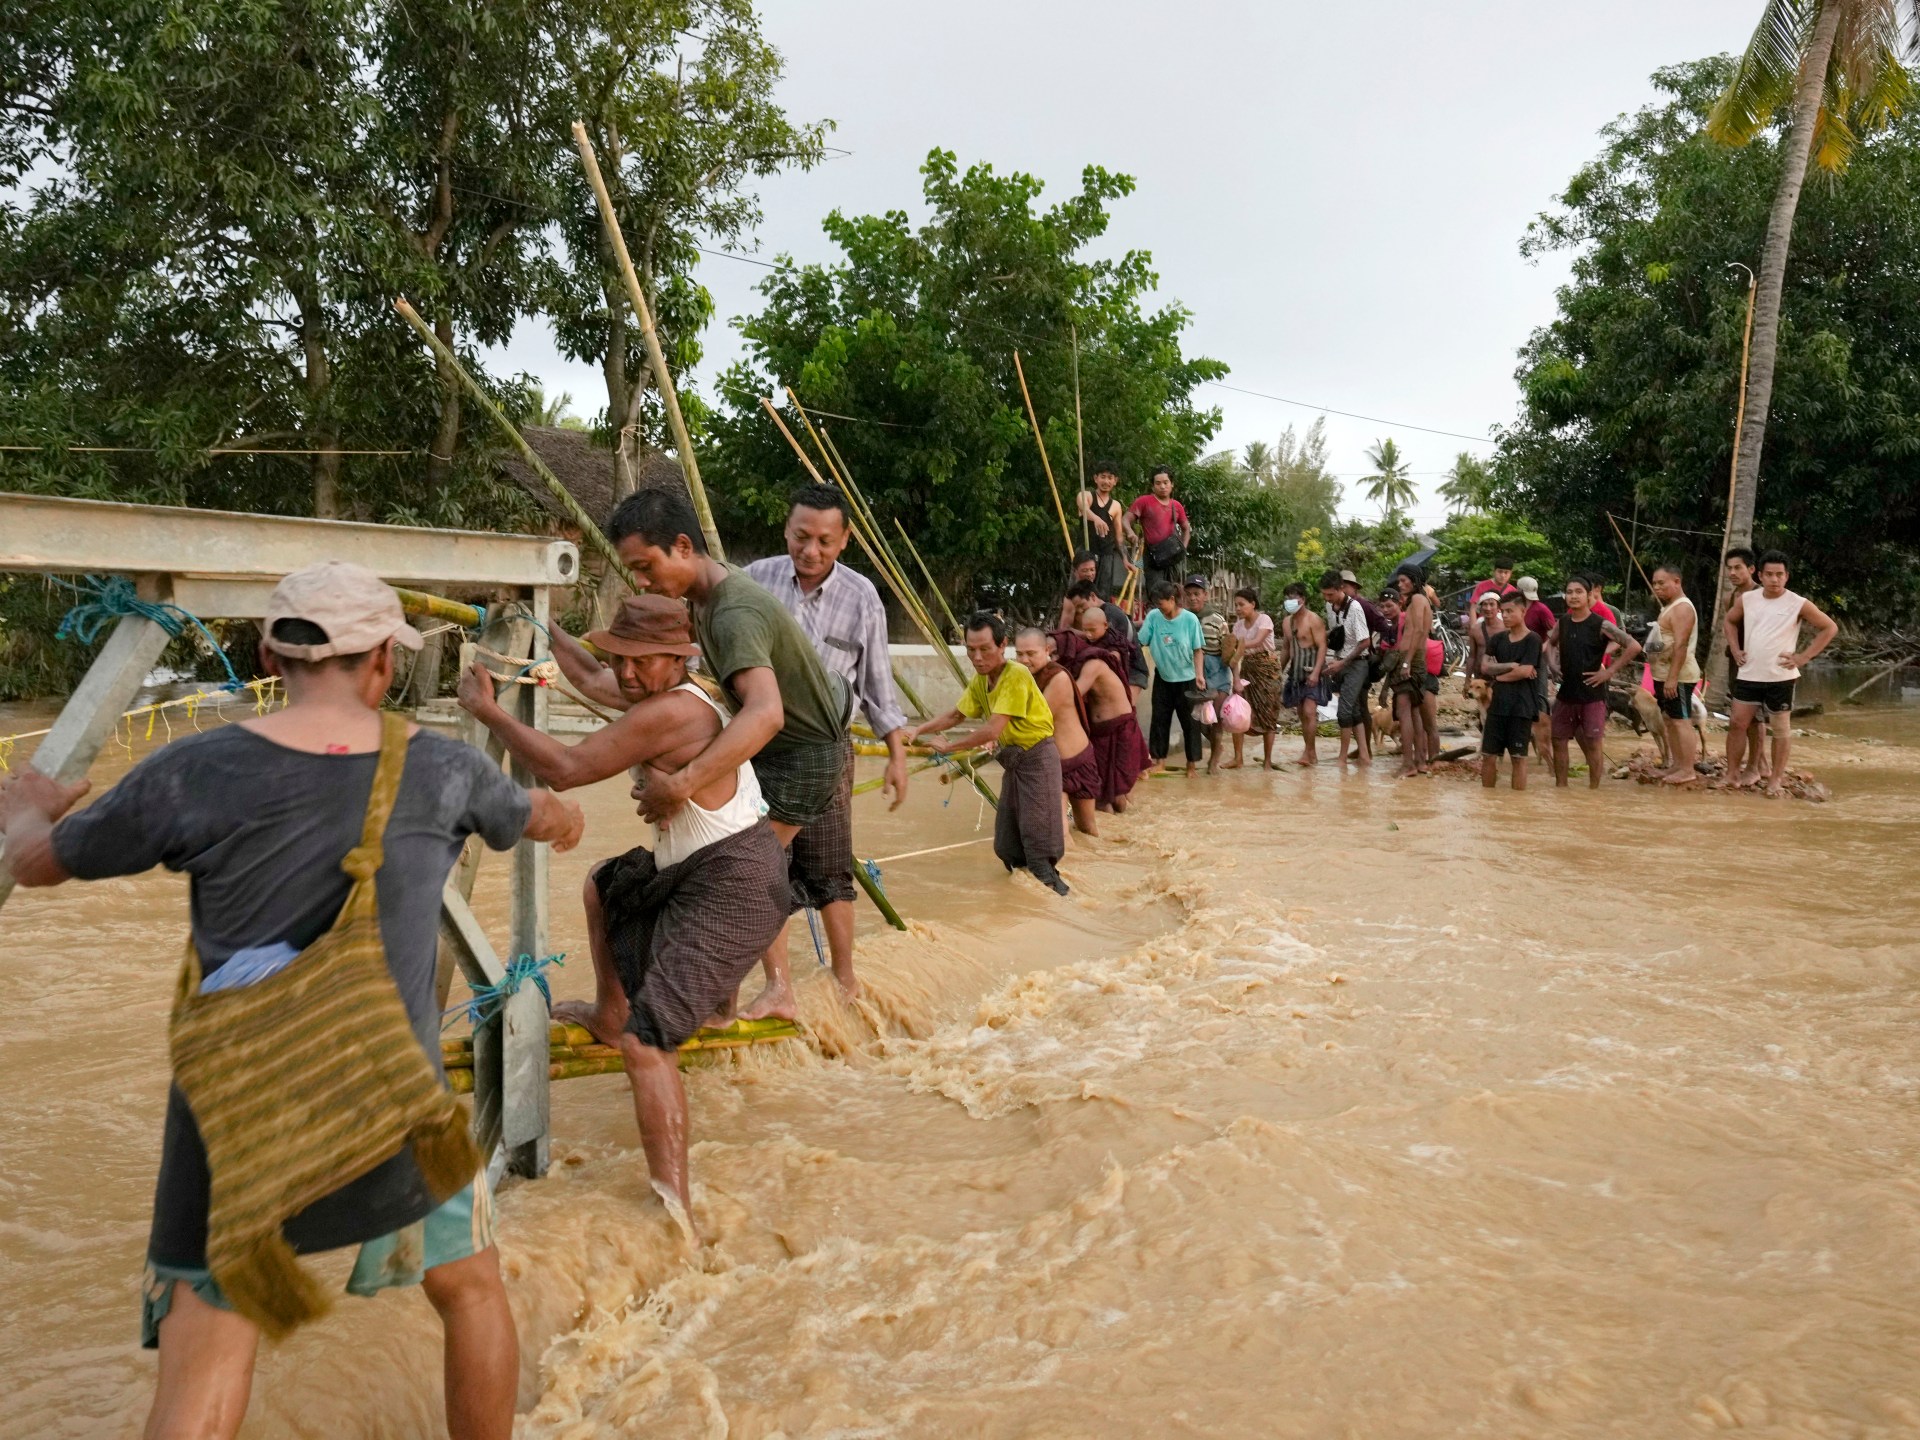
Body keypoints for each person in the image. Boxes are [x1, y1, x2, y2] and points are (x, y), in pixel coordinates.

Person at [1, 561, 586, 1440]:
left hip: (236, 1113)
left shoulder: (193, 769)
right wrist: (558, 815)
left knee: (211, 1343)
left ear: (271, 657)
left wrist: (27, 807)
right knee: (468, 1289)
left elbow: (39, 863)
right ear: (386, 664)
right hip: (391, 1100)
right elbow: (534, 817)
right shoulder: (442, 770)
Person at [459, 594, 787, 1238]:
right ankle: (620, 1013)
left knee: (647, 1045)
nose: (628, 675)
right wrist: (537, 619)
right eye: (623, 660)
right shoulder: (660, 690)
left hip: (734, 883)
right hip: (705, 870)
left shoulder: (672, 711)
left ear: (679, 658)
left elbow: (568, 768)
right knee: (607, 885)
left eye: (642, 663)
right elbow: (587, 676)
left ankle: (676, 1216)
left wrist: (488, 711)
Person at [548, 489, 853, 1023]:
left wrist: (684, 782)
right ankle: (731, 995)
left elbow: (765, 713)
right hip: (777, 748)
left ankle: (770, 990)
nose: (641, 581)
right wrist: (541, 629)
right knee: (747, 866)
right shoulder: (703, 600)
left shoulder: (732, 610)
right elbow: (605, 684)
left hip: (802, 755)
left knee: (747, 871)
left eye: (645, 567)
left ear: (683, 547)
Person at [740, 483, 911, 1014]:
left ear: (844, 540)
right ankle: (778, 987)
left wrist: (898, 755)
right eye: (800, 537)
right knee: (762, 862)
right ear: (786, 531)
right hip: (760, 747)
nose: (810, 552)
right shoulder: (754, 582)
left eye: (824, 541)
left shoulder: (861, 596)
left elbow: (879, 686)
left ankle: (845, 980)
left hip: (828, 750)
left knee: (832, 871)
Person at [908, 614, 1069, 894]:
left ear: (1002, 645)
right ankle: (1021, 912)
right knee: (1008, 847)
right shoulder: (982, 680)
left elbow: (993, 730)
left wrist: (948, 747)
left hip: (1037, 760)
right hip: (1014, 762)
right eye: (971, 650)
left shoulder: (1015, 674)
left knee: (1039, 849)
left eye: (985, 649)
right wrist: (918, 730)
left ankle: (1061, 901)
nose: (977, 657)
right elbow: (957, 715)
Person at [1724, 550, 1838, 797]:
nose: (1774, 579)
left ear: (1787, 576)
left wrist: (1803, 657)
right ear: (1760, 575)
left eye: (1779, 575)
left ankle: (1775, 779)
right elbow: (1730, 621)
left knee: (1781, 729)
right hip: (1749, 674)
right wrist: (1735, 649)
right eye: (1769, 574)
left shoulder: (1798, 603)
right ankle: (1732, 774)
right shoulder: (1748, 599)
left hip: (1781, 677)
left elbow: (1829, 627)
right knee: (1736, 724)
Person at [1546, 575, 1641, 788]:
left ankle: (1594, 790)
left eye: (1578, 592)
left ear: (1590, 595)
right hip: (1566, 692)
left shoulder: (1601, 624)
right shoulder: (1563, 622)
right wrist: (1552, 666)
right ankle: (1561, 788)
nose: (1573, 596)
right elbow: (1550, 644)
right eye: (1569, 592)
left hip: (1593, 693)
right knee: (1558, 740)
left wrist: (1609, 672)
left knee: (1593, 742)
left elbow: (1633, 646)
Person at [1016, 626, 1099, 837]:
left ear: (1047, 651)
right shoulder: (1022, 678)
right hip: (1053, 766)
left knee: (1087, 829)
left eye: (1031, 654)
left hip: (1081, 760)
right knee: (1059, 833)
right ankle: (1064, 870)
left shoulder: (1058, 678)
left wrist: (994, 736)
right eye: (1019, 653)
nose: (1024, 660)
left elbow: (1034, 721)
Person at [1069, 608, 1151, 810]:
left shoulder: (1107, 654)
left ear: (1106, 626)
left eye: (1092, 630)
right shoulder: (1090, 649)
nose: (1088, 635)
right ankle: (1111, 833)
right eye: (1085, 631)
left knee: (1118, 792)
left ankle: (1128, 827)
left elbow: (1074, 692)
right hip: (1100, 731)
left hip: (1120, 727)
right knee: (1101, 790)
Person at [1644, 563, 1703, 786]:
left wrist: (1672, 677)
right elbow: (1666, 641)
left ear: (1676, 582)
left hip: (1678, 675)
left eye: (1662, 583)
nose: (1657, 588)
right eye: (1654, 583)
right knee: (1669, 719)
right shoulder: (1669, 607)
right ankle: (1677, 765)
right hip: (1662, 672)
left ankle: (1687, 768)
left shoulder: (1682, 608)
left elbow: (1681, 645)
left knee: (1681, 721)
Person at [1138, 580, 1206, 775]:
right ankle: (1159, 761)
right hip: (1163, 678)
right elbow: (1141, 640)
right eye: (1156, 605)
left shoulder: (1190, 620)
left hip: (1187, 679)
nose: (1159, 609)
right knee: (1159, 721)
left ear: (1172, 599)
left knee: (1190, 724)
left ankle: (1191, 764)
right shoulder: (1153, 617)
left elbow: (1197, 650)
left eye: (1162, 604)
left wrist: (1199, 675)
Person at [1478, 592, 1543, 790]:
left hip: (1522, 707)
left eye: (1509, 611)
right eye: (1502, 611)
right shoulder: (1498, 639)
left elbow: (1525, 671)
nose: (1504, 616)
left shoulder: (1533, 639)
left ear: (1523, 611)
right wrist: (1510, 666)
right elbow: (1484, 666)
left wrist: (1497, 677)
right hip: (1497, 705)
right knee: (1488, 756)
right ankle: (1488, 801)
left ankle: (1517, 802)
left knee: (1518, 758)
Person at [1722, 546, 1769, 785]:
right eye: (1729, 568)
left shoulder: (1761, 595)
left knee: (1756, 717)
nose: (1732, 572)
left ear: (1751, 569)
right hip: (1736, 662)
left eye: (1738, 568)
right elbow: (1729, 625)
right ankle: (1761, 764)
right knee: (1744, 717)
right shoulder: (1732, 596)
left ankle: (1754, 767)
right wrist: (1734, 650)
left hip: (1757, 666)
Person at [1319, 569, 1373, 767]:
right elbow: (1335, 631)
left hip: (1357, 663)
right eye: (1324, 595)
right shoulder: (1329, 606)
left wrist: (1342, 662)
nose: (1328, 598)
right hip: (1339, 662)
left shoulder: (1356, 608)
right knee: (1355, 710)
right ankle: (1365, 757)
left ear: (1341, 588)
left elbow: (1365, 642)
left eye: (1331, 594)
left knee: (1344, 711)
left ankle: (1342, 757)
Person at [1061, 577, 1142, 696]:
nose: (1080, 610)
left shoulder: (1109, 614)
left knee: (1126, 709)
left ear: (1093, 596)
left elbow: (1111, 650)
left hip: (1133, 672)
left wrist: (1069, 632)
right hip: (1123, 670)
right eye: (1076, 608)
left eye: (1082, 605)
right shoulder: (1102, 613)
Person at [1184, 577, 1233, 773]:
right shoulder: (1185, 618)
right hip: (1192, 669)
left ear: (1205, 594)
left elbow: (1229, 648)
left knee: (1216, 718)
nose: (1193, 598)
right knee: (1198, 719)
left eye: (1197, 594)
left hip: (1216, 670)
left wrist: (1235, 678)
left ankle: (1214, 759)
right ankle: (1215, 747)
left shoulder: (1217, 619)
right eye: (1189, 595)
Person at [1278, 581, 1330, 766]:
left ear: (1303, 599)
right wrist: (1278, 671)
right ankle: (1308, 751)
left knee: (1309, 711)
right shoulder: (1287, 622)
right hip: (1296, 672)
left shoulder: (1313, 620)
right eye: (1287, 598)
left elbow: (1322, 646)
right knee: (1301, 712)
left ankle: (1311, 753)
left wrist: (1316, 673)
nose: (1289, 601)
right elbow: (1286, 648)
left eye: (1293, 598)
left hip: (1312, 670)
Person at [1393, 566, 1438, 776]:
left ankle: (1408, 763)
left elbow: (1419, 630)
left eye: (1404, 581)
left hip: (1412, 659)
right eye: (1399, 581)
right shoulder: (1418, 600)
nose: (1400, 585)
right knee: (1414, 712)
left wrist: (1406, 662)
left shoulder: (1418, 600)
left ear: (1414, 580)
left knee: (1404, 713)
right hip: (1415, 659)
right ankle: (1419, 761)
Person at [1228, 587, 1280, 769]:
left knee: (1268, 714)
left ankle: (1267, 761)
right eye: (1236, 605)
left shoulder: (1264, 620)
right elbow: (1234, 658)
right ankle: (1238, 758)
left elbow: (1258, 641)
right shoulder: (1237, 626)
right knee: (1238, 713)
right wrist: (1236, 680)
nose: (1238, 609)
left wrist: (1236, 646)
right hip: (1247, 669)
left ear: (1253, 604)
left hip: (1267, 670)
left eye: (1241, 604)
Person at [1122, 466, 1191, 599]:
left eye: (1166, 482)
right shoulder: (1144, 501)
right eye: (1158, 483)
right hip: (1152, 556)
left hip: (1173, 556)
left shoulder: (1176, 505)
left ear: (1172, 484)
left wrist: (1183, 548)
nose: (1162, 486)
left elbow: (1186, 528)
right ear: (1153, 486)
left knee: (1173, 593)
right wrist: (1130, 532)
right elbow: (1125, 519)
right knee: (1156, 594)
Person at [1076, 460, 1130, 599]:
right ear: (1096, 478)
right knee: (1081, 592)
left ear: (1115, 481)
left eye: (1110, 477)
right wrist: (1096, 519)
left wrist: (1125, 558)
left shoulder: (1116, 506)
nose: (1106, 481)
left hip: (1106, 554)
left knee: (1102, 595)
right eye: (1103, 477)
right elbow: (1084, 509)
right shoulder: (1086, 495)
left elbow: (1118, 536)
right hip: (1086, 552)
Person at [1515, 576, 1556, 755]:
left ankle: (1542, 739)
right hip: (1519, 658)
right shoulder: (1517, 608)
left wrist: (1540, 649)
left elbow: (1552, 635)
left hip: (1538, 659)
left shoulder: (1541, 610)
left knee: (1539, 695)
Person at [1463, 589, 1504, 729]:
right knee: (1483, 711)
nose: (1488, 608)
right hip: (1480, 677)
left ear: (1499, 607)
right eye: (1484, 604)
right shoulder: (1475, 629)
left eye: (1492, 604)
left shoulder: (1506, 628)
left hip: (1501, 678)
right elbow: (1472, 656)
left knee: (1500, 711)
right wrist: (1467, 680)